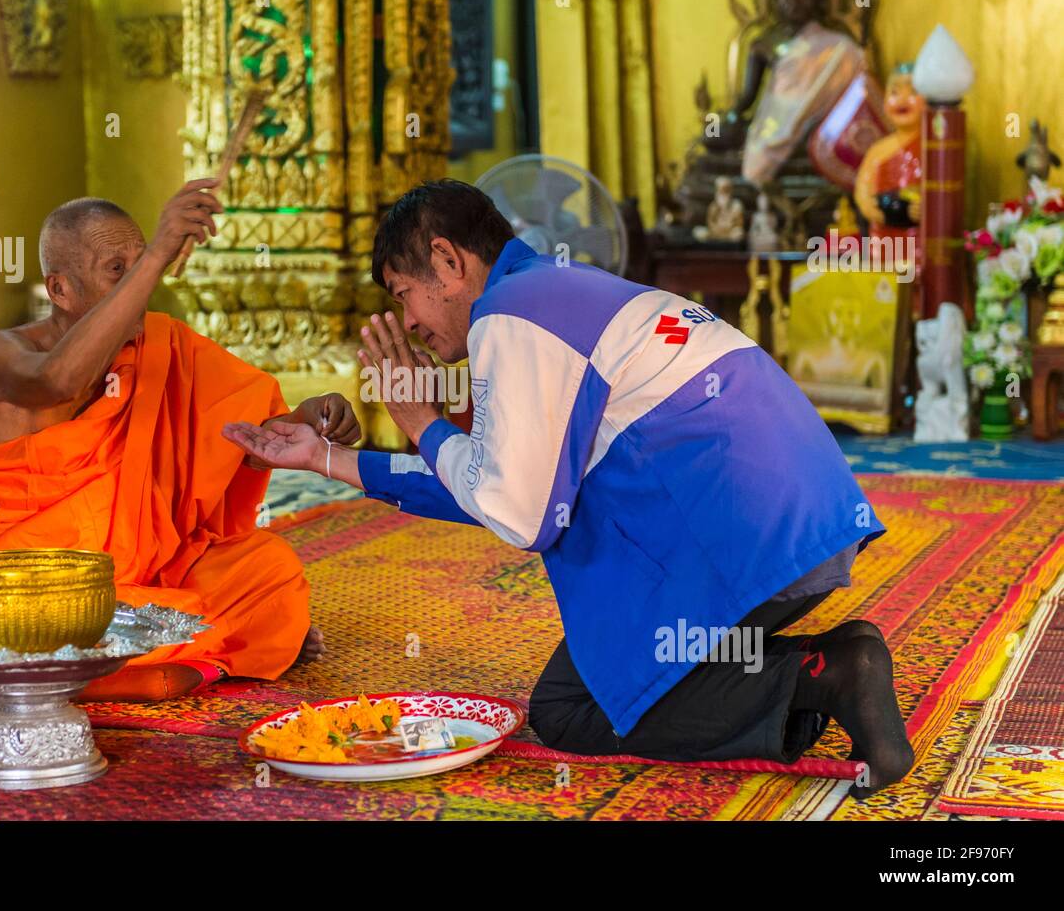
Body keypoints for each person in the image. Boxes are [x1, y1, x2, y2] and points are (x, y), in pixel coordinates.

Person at [223, 179, 915, 798]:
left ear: (446, 260)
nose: (407, 322)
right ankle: (819, 675)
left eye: (404, 293)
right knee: (578, 691)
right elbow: (493, 483)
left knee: (568, 709)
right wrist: (327, 457)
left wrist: (421, 420)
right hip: (801, 526)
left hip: (737, 542)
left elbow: (519, 516)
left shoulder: (510, 312)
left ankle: (830, 674)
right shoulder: (552, 293)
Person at [0, 183, 361, 699]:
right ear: (60, 290)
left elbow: (237, 440)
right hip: (32, 585)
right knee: (51, 620)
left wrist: (305, 418)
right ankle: (192, 661)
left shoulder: (159, 347)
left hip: (139, 580)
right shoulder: (5, 354)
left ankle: (101, 672)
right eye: (118, 268)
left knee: (268, 570)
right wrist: (160, 249)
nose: (144, 282)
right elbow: (58, 381)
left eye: (144, 264)